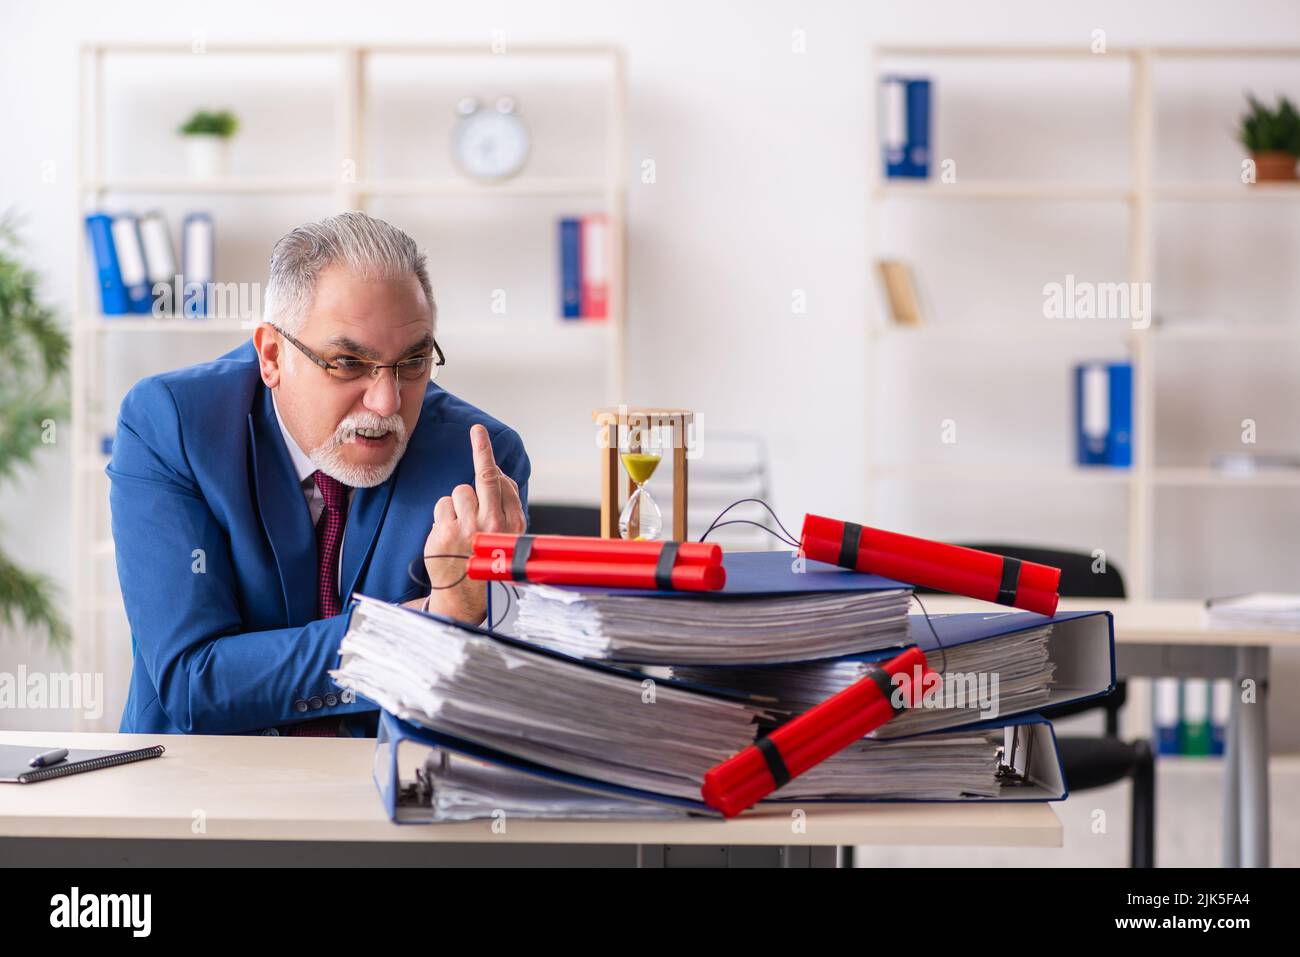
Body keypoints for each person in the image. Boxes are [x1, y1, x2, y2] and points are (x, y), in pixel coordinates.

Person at [110, 211, 529, 736]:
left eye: (413, 361)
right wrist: (430, 620)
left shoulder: (479, 463)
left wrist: (477, 622)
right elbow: (197, 685)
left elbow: (491, 697)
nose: (386, 402)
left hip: (384, 795)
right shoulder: (171, 425)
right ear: (271, 356)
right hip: (199, 791)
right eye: (348, 363)